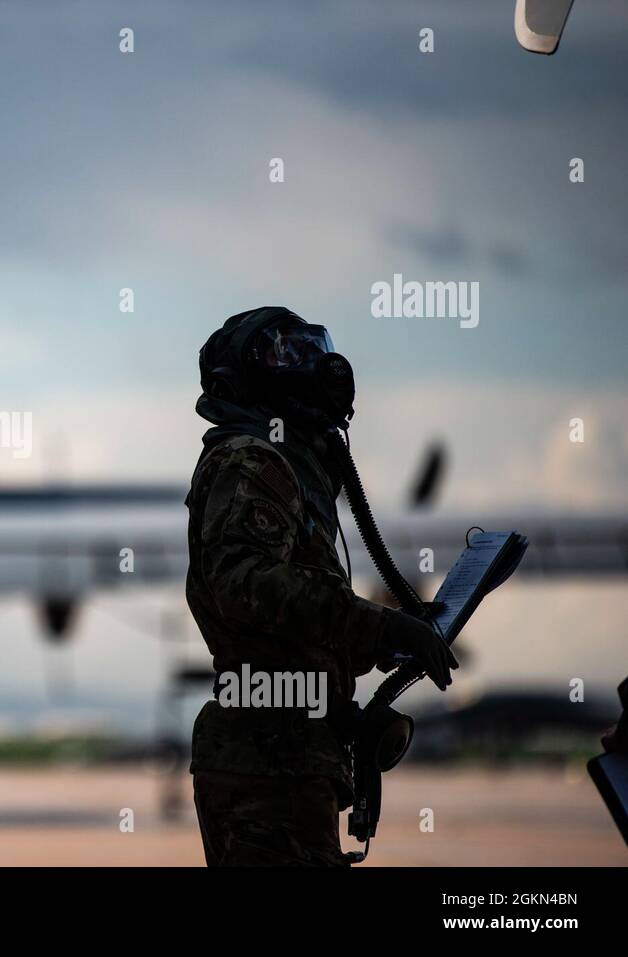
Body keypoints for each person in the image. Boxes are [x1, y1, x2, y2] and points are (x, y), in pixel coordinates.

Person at [186, 307, 457, 866]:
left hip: (290, 756)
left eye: (313, 346)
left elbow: (290, 619)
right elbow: (245, 585)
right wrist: (377, 625)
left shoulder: (284, 465)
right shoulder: (252, 461)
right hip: (269, 763)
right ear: (244, 376)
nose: (311, 363)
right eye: (286, 352)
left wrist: (375, 639)